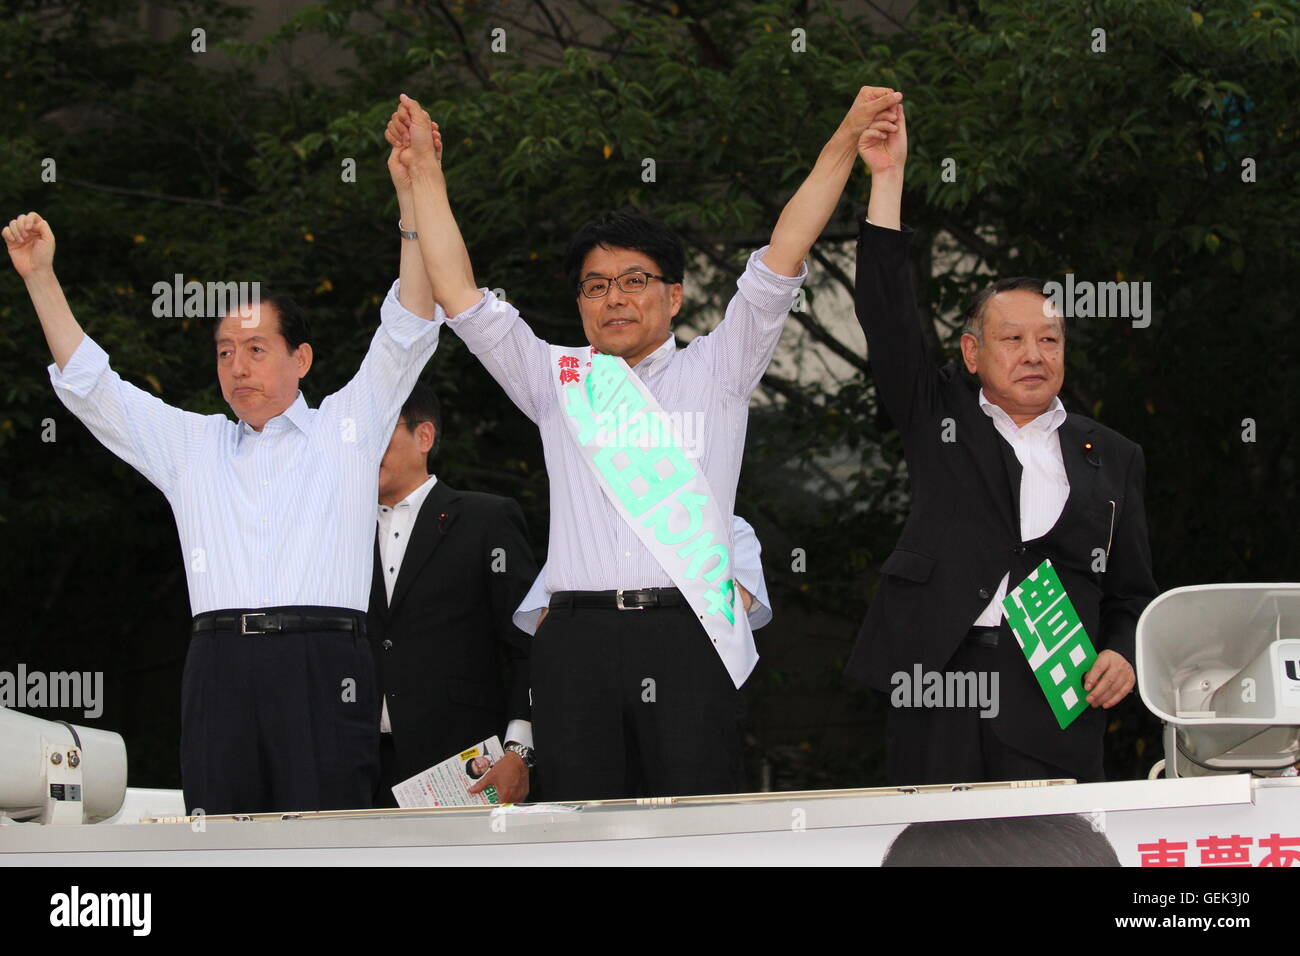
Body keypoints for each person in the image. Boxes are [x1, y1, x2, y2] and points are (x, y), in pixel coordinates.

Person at [384, 87, 903, 801]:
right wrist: (425, 176)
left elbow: (784, 251)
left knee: (696, 828)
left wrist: (846, 138)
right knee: (584, 835)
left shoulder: (719, 370)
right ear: (578, 304)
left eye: (635, 281)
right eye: (595, 286)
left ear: (675, 296)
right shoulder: (556, 380)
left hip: (686, 635)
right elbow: (458, 291)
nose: (615, 298)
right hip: (575, 643)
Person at [3, 140, 444, 815]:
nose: (238, 367)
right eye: (225, 353)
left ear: (301, 358)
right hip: (218, 667)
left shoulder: (348, 427)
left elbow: (409, 325)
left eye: (257, 349)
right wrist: (39, 276)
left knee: (324, 846)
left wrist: (413, 196)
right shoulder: (193, 446)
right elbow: (94, 389)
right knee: (219, 843)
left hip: (322, 665)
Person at [845, 99, 1158, 785]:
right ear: (972, 352)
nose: (1034, 354)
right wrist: (888, 180)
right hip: (938, 681)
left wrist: (1124, 651)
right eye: (1012, 339)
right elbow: (890, 315)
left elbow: (1131, 593)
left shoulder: (1112, 455)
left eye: (1049, 340)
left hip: (1055, 693)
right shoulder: (939, 420)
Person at [370, 382, 537, 806]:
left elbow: (529, 645)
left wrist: (520, 749)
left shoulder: (486, 520)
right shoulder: (337, 531)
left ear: (423, 436)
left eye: (379, 434)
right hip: (356, 768)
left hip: (462, 766)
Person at [512, 515, 774, 636]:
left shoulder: (729, 526)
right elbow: (546, 621)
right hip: (592, 672)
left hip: (687, 672)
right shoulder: (588, 529)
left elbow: (736, 606)